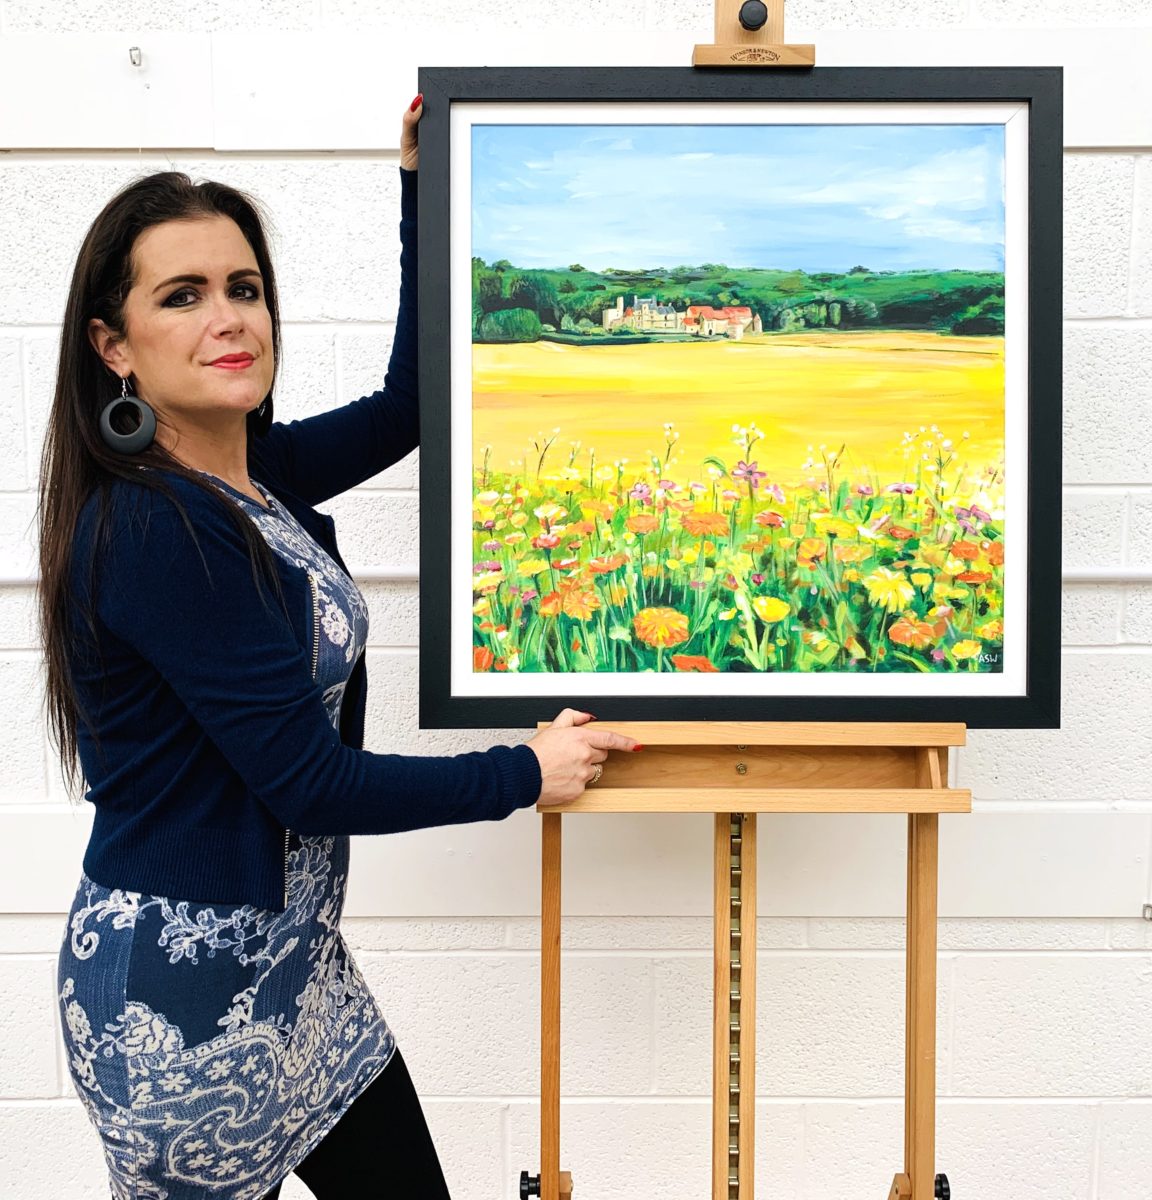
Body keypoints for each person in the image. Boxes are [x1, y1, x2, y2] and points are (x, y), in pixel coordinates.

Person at [40, 98, 638, 1200]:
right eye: (183, 296)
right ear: (113, 345)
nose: (230, 318)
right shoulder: (160, 529)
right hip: (177, 1008)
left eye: (245, 288)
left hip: (299, 976)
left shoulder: (248, 479)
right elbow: (308, 787)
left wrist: (418, 183)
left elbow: (411, 404)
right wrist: (525, 774)